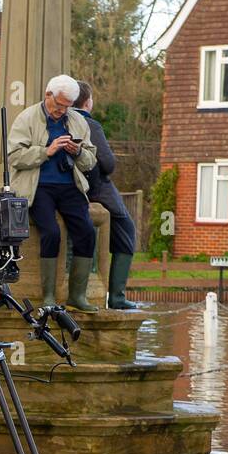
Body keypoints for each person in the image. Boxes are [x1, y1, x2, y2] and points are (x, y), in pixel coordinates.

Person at [6, 73, 98, 312]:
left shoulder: (77, 120)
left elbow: (90, 162)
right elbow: (14, 157)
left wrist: (76, 151)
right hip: (38, 186)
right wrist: (46, 151)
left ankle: (77, 295)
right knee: (51, 232)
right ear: (48, 95)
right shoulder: (26, 118)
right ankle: (48, 295)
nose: (62, 111)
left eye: (67, 107)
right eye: (59, 105)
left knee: (87, 231)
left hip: (69, 186)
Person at [75, 81, 138, 310]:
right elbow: (108, 163)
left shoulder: (58, 121)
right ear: (87, 101)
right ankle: (118, 297)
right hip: (98, 190)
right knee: (127, 230)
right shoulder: (91, 125)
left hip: (70, 188)